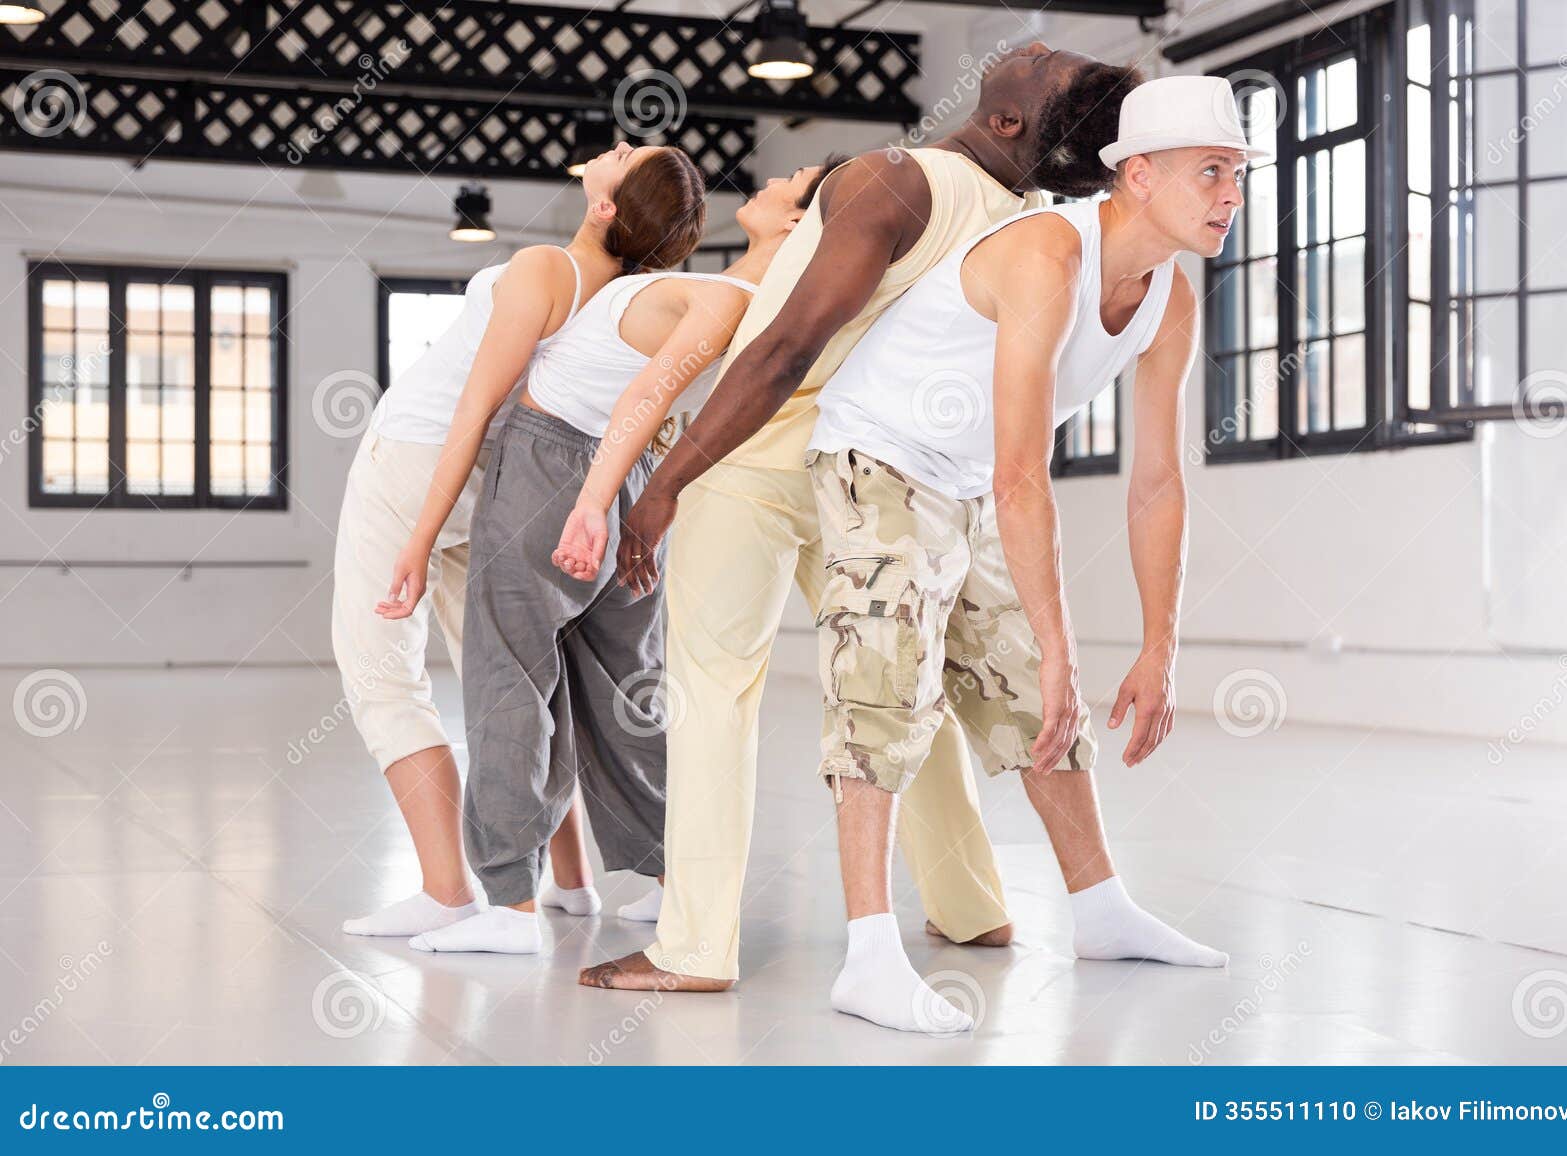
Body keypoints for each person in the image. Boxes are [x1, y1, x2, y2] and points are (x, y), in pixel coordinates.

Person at [581, 44, 1143, 993]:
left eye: (1044, 64)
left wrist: (666, 479)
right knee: (900, 684)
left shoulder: (898, 179)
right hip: (878, 476)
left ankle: (694, 950)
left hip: (757, 462)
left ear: (1007, 121)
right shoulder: (1036, 222)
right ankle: (970, 907)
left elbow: (786, 347)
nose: (1036, 44)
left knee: (717, 694)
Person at [801, 74, 1262, 1032]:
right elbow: (1023, 472)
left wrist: (1158, 647)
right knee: (886, 686)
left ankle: (1100, 909)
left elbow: (1158, 484)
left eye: (1241, 174)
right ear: (1138, 175)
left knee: (1028, 697)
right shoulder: (1050, 255)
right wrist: (1064, 651)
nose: (1233, 195)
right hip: (881, 455)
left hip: (966, 478)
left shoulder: (1168, 299)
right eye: (1214, 171)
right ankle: (868, 954)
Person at [379, 163, 832, 955]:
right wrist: (622, 503)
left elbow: (645, 397)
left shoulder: (722, 299)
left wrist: (589, 503)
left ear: (792, 228)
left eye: (797, 184)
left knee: (507, 680)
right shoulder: (729, 297)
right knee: (626, 691)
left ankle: (512, 907)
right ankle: (669, 884)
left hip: (556, 470)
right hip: (618, 478)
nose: (781, 172)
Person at [333, 140, 705, 939]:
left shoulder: (544, 269)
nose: (615, 143)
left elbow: (472, 407)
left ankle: (449, 892)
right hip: (508, 480)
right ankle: (569, 884)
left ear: (608, 207)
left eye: (626, 150)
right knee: (525, 684)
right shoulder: (617, 291)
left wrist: (417, 539)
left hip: (418, 466)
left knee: (384, 680)